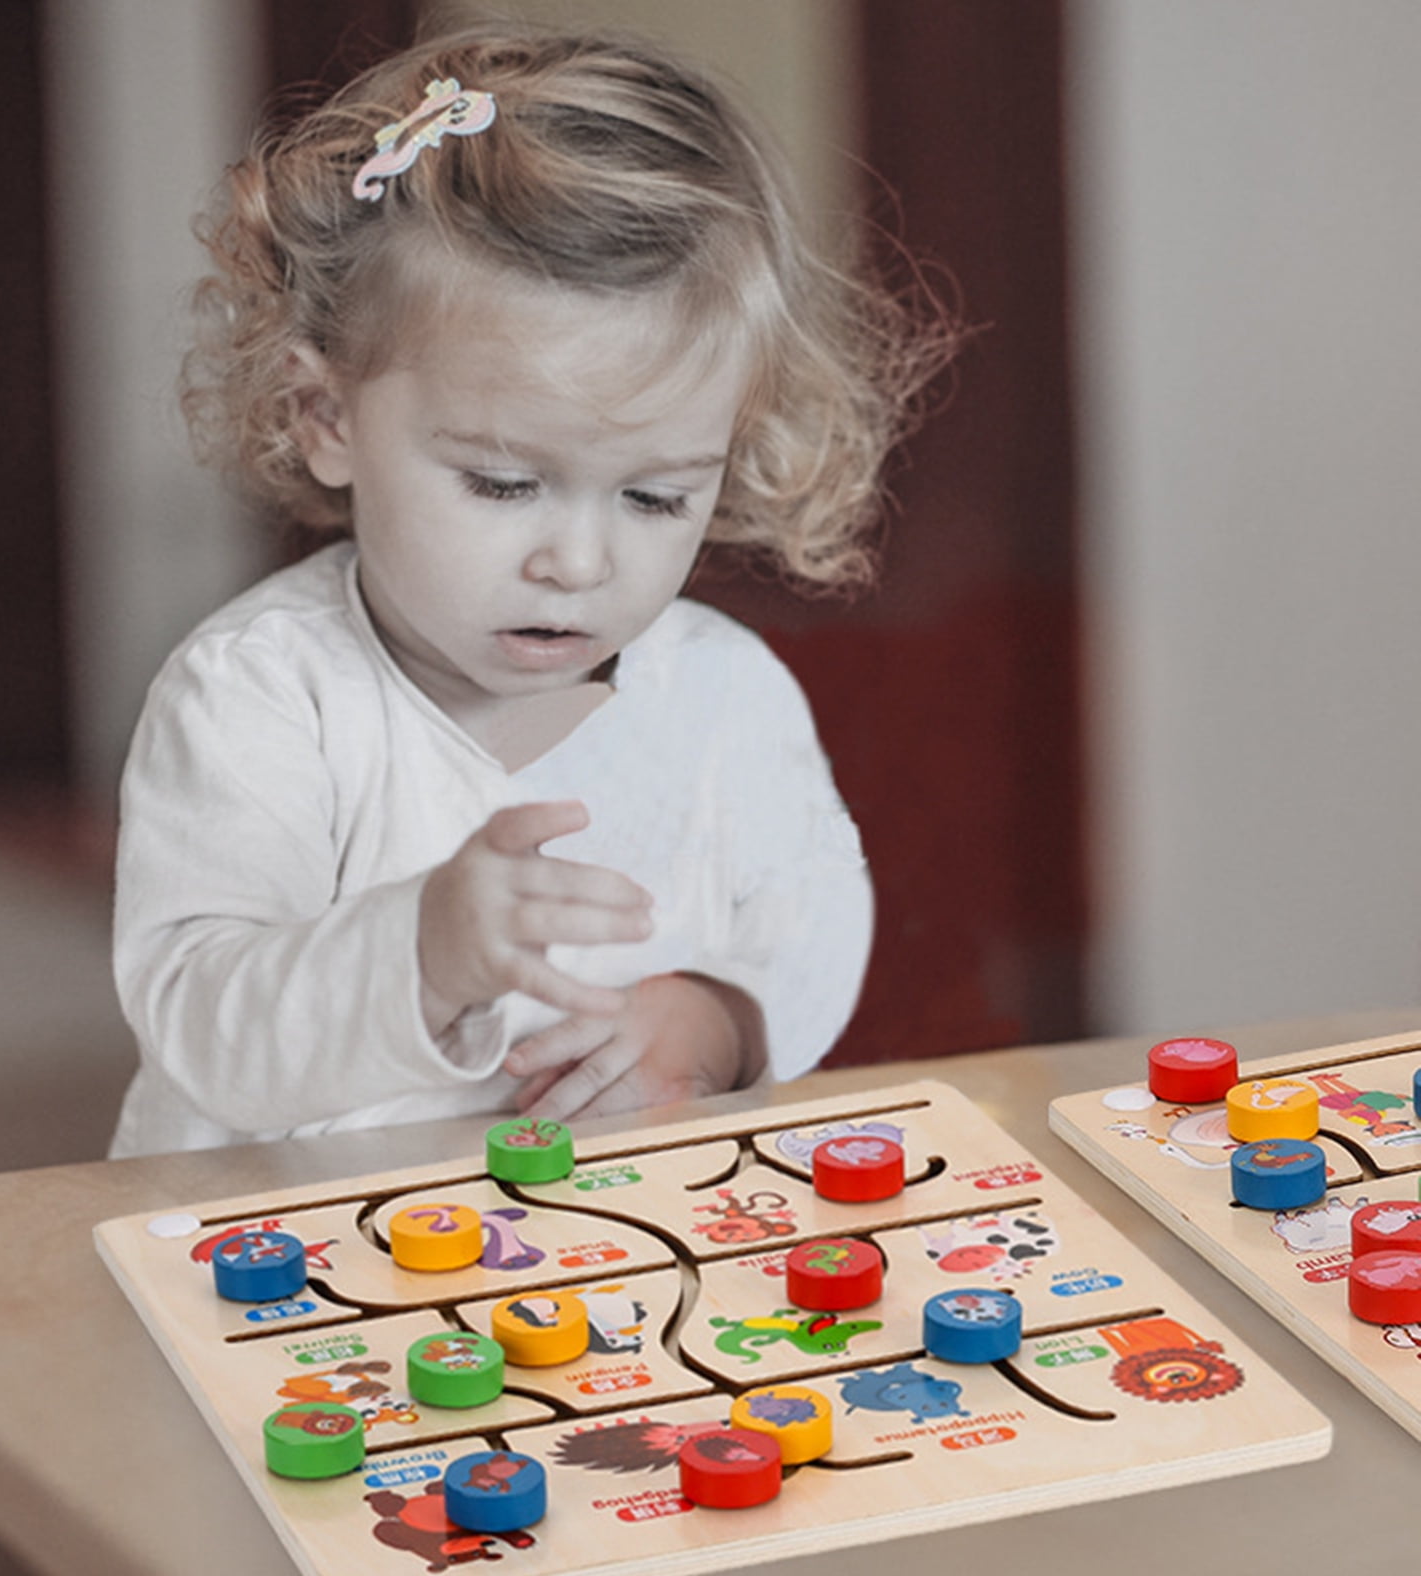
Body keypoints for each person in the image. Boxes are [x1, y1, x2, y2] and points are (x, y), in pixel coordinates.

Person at [109, 22, 951, 1157]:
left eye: (653, 498)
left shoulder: (725, 691)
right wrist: (419, 950)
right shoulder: (259, 697)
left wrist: (712, 1018)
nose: (580, 562)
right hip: (280, 1279)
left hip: (603, 1262)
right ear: (327, 417)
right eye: (505, 484)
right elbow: (197, 1018)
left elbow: (809, 915)